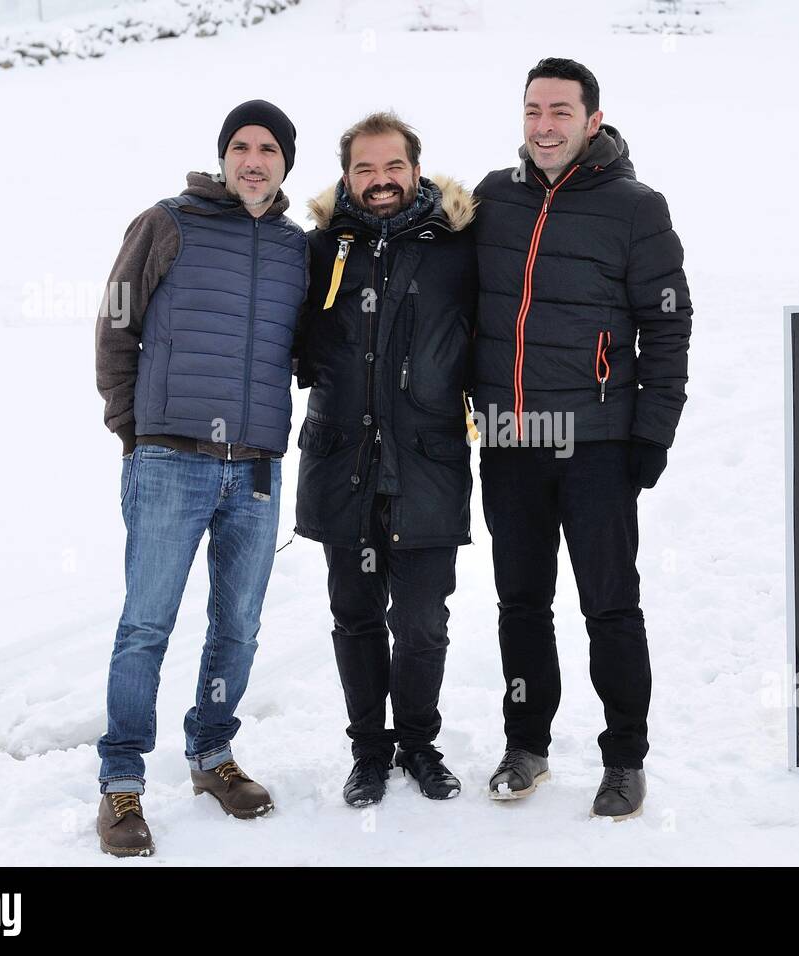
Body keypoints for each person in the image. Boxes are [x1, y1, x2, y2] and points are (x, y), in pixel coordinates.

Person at [472, 59, 692, 820]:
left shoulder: (636, 208)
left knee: (610, 606)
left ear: (593, 121)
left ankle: (625, 757)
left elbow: (667, 324)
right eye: (533, 109)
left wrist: (651, 433)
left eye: (561, 111)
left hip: (596, 441)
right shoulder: (493, 197)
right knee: (521, 605)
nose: (545, 125)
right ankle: (526, 745)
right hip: (508, 436)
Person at [92, 100, 307, 856]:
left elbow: (308, 350)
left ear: (286, 162)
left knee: (239, 629)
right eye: (241, 147)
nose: (254, 160)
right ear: (223, 157)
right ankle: (121, 784)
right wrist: (135, 430)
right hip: (169, 460)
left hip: (253, 470)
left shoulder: (295, 247)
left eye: (269, 148)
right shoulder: (167, 221)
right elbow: (117, 321)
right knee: (146, 625)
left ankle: (213, 756)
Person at [293, 112, 477, 807]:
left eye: (392, 166)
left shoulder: (460, 249)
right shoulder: (317, 250)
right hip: (342, 464)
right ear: (347, 177)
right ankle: (369, 751)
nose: (379, 181)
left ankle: (420, 744)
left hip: (428, 464)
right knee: (356, 615)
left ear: (416, 170)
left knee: (424, 620)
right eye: (364, 169)